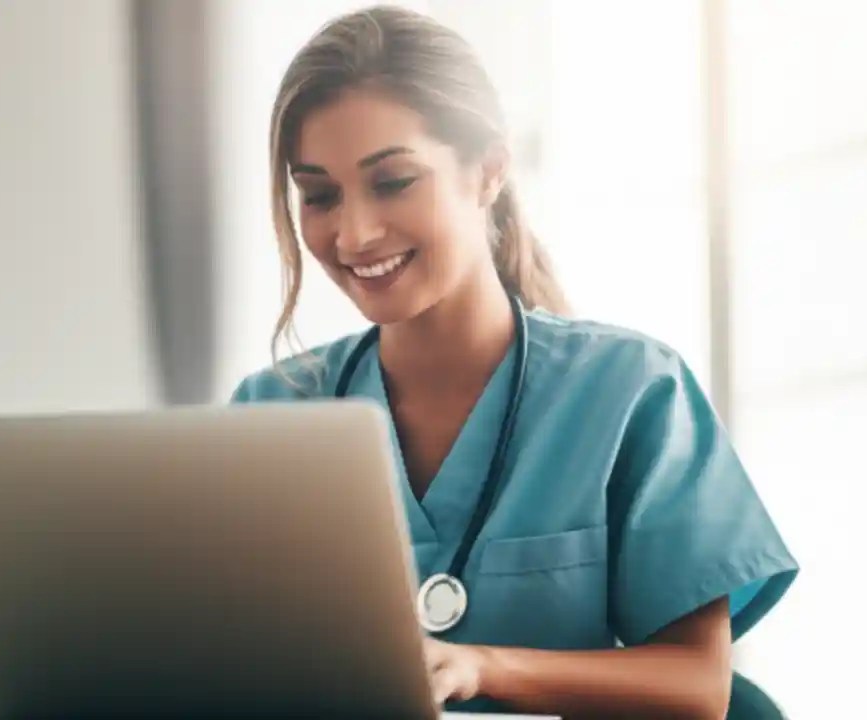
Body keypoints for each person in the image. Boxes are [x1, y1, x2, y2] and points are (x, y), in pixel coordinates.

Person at [229, 6, 797, 718]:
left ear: (488, 170)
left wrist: (483, 667)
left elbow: (699, 688)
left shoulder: (628, 391)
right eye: (319, 195)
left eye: (393, 181)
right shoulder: (268, 414)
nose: (354, 232)